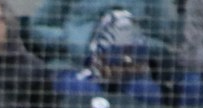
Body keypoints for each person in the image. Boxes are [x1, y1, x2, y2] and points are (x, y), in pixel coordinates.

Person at [26, 0, 173, 65]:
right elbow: (37, 29)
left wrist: (134, 45)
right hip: (72, 65)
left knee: (144, 91)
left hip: (132, 71)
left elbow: (166, 44)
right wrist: (77, 42)